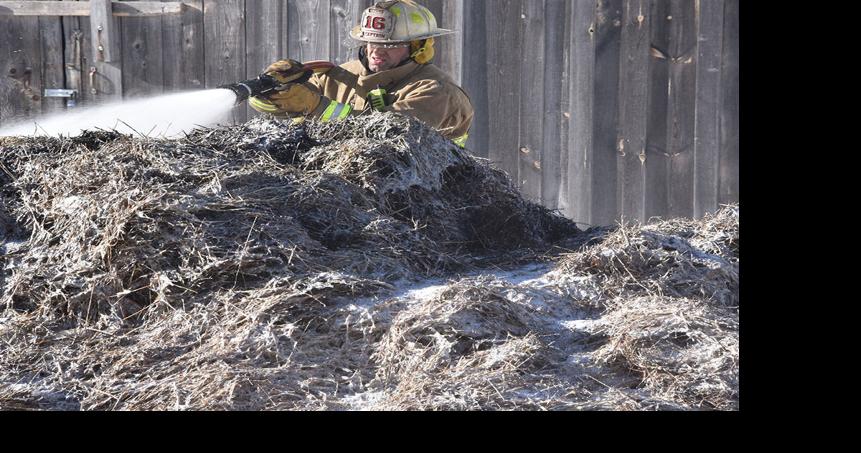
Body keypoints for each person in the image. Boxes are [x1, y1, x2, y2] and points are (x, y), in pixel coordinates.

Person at [249, 0, 473, 147]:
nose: (376, 51)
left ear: (419, 48)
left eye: (391, 45)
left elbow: (386, 135)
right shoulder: (337, 76)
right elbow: (272, 111)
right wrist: (270, 89)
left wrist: (317, 107)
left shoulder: (437, 92)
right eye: (370, 42)